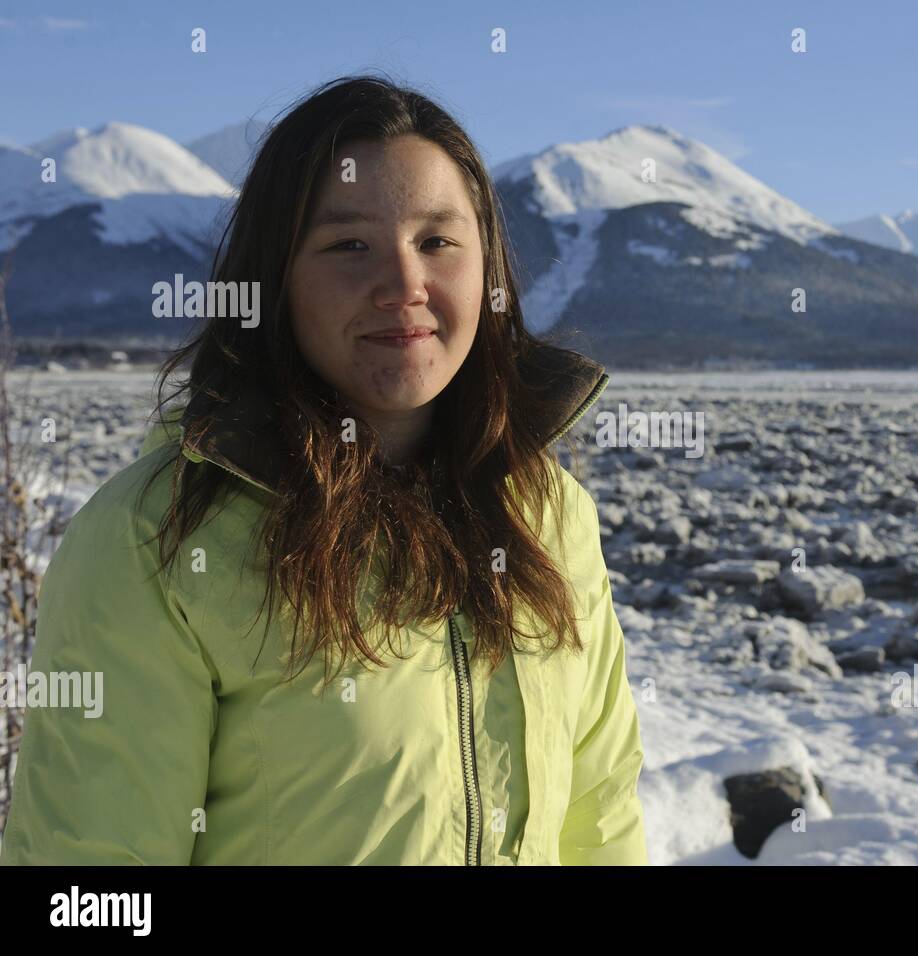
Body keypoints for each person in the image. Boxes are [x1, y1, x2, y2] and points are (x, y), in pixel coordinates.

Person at [0, 75, 648, 866]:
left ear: (490, 273)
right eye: (349, 246)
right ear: (275, 281)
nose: (405, 286)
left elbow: (601, 813)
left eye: (438, 242)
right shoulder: (154, 543)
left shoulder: (549, 513)